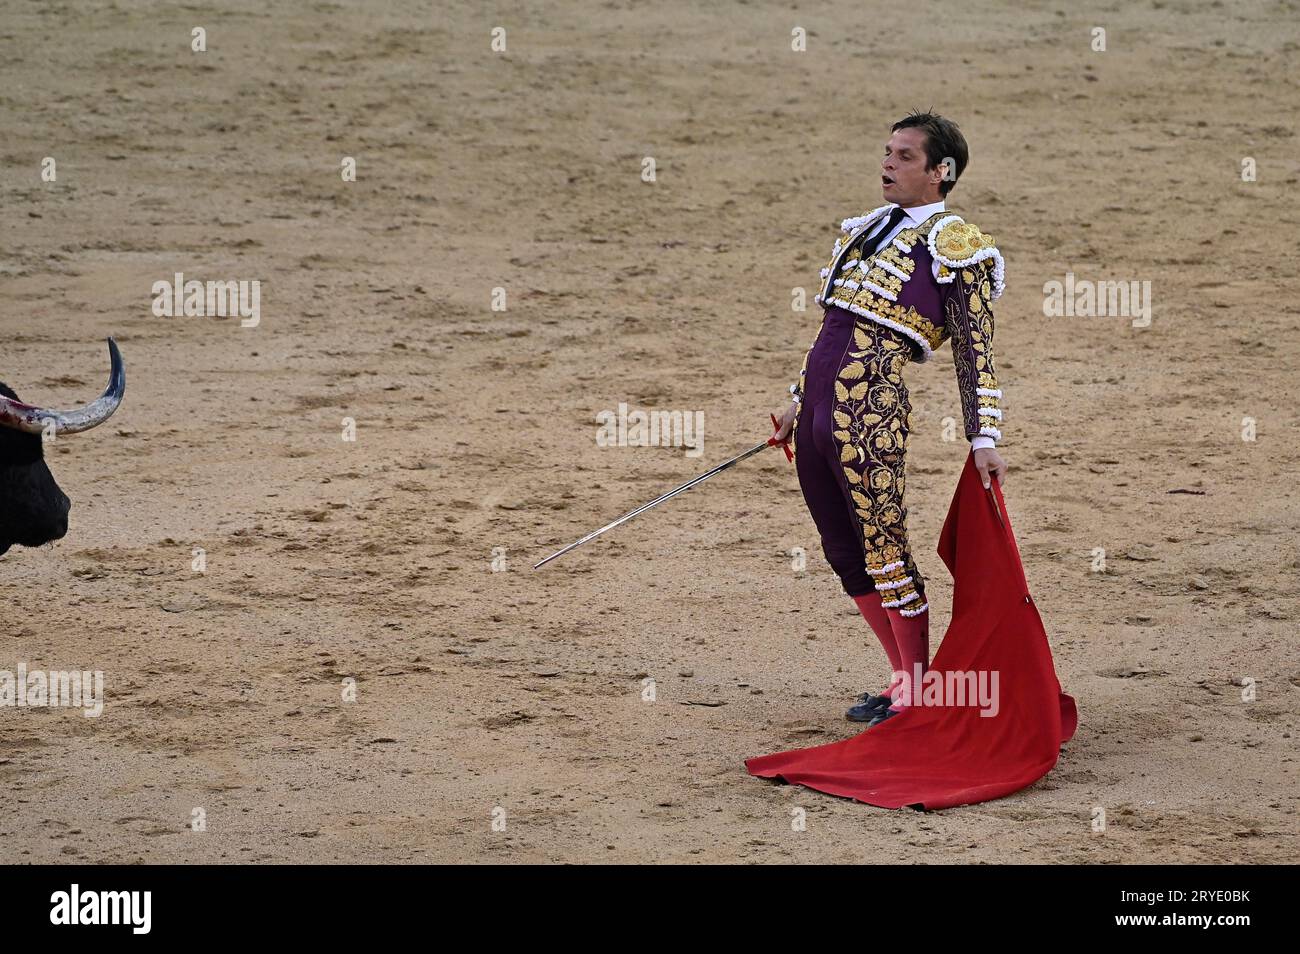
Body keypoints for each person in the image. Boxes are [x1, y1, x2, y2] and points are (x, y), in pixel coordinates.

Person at [771, 111, 1008, 725]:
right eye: (887, 152)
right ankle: (904, 678)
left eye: (904, 156)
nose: (887, 164)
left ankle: (920, 688)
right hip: (820, 409)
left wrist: (983, 436)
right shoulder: (864, 229)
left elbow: (975, 351)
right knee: (842, 549)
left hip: (871, 411)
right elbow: (831, 329)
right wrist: (797, 401)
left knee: (884, 546)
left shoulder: (958, 247)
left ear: (941, 171)